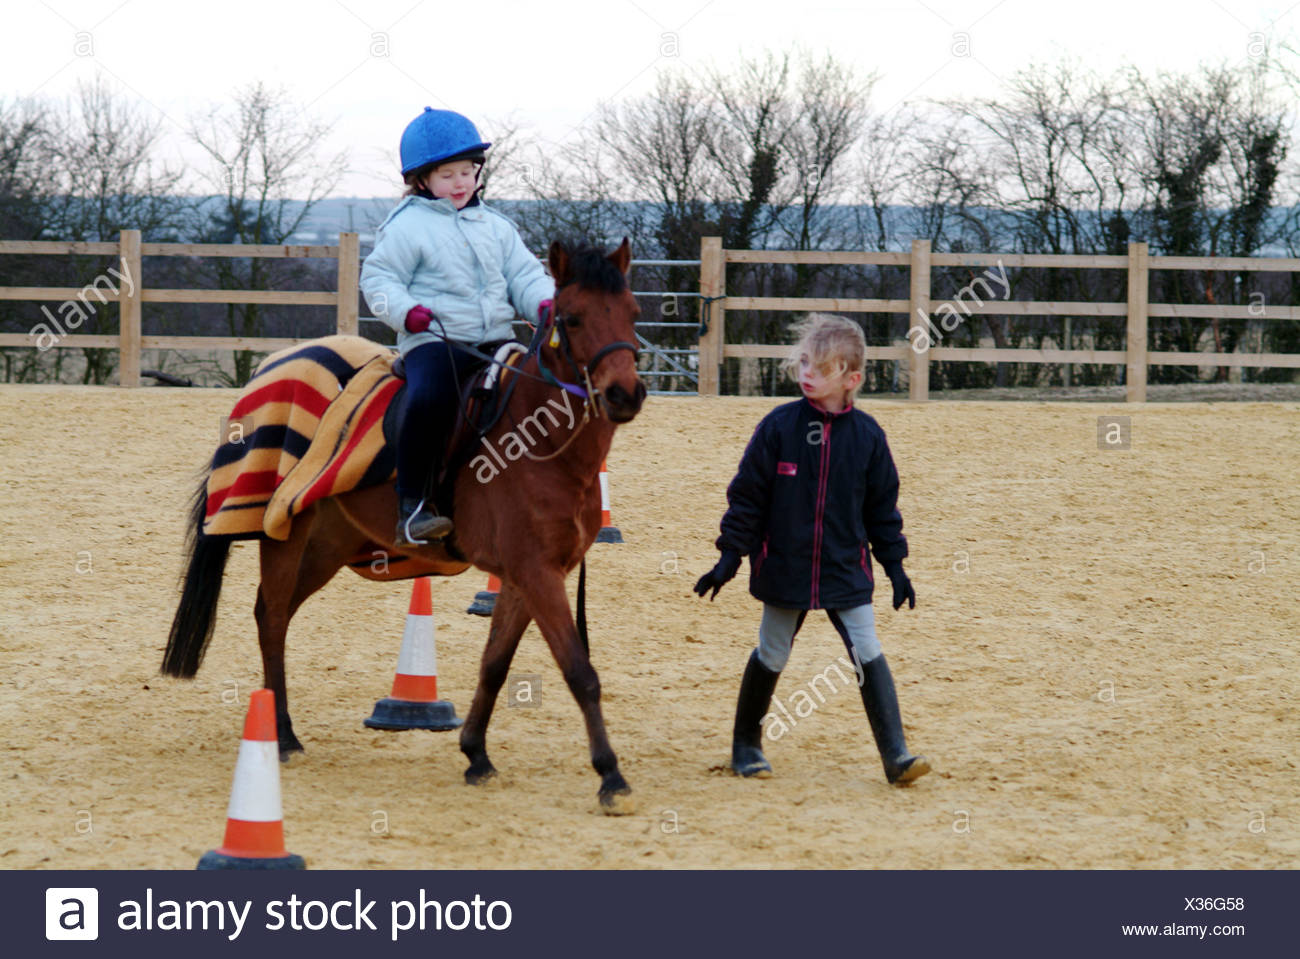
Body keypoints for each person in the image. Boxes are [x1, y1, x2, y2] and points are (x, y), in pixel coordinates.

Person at [694, 313, 930, 785]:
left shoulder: (868, 438)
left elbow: (883, 509)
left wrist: (895, 567)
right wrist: (729, 557)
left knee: (867, 649)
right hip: (785, 568)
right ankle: (746, 746)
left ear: (852, 378)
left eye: (821, 369)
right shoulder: (778, 427)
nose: (807, 374)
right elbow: (747, 498)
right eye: (804, 363)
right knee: (773, 650)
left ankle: (896, 755)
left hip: (846, 569)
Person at [361, 107, 554, 545]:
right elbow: (379, 279)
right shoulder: (406, 226)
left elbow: (524, 275)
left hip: (497, 340)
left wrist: (544, 303)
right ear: (422, 180)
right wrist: (407, 312)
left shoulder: (497, 227)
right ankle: (413, 507)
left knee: (538, 394)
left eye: (467, 172)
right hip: (434, 340)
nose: (461, 183)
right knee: (430, 397)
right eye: (448, 176)